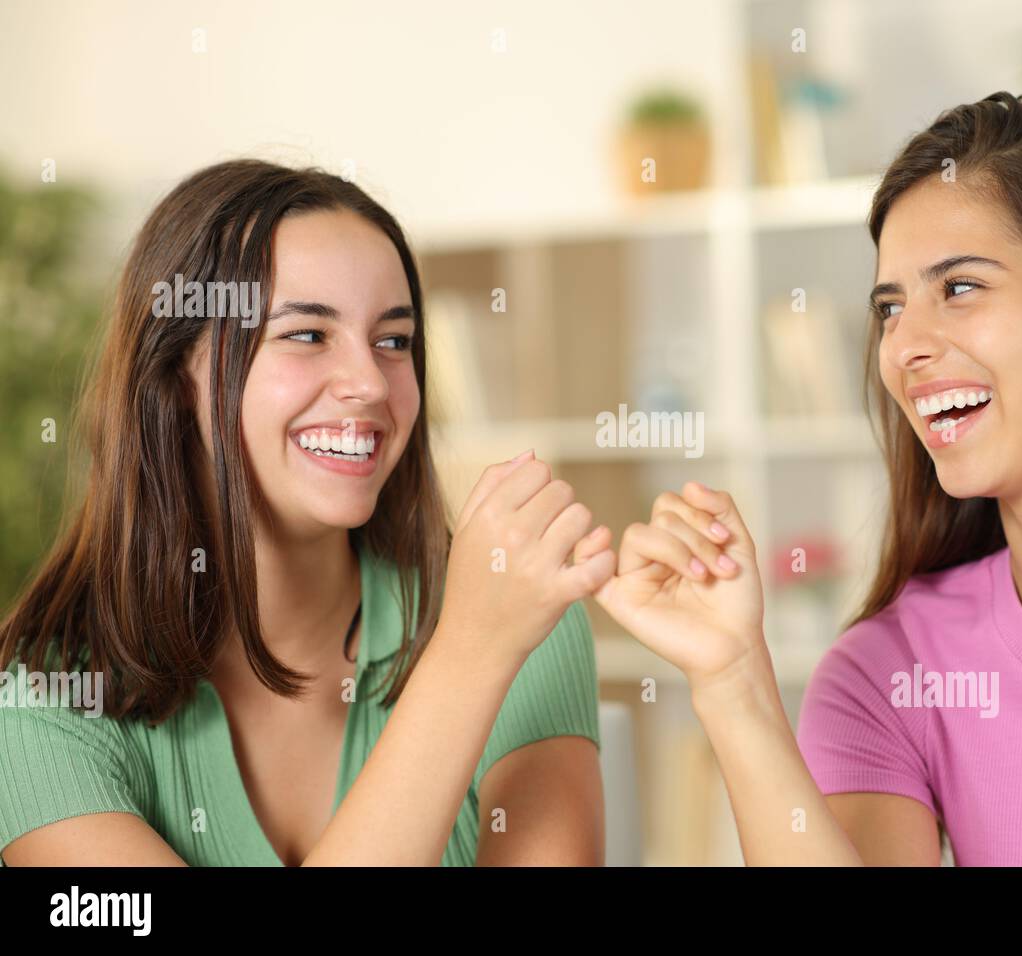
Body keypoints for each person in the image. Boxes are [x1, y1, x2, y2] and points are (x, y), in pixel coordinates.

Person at [585, 92, 1022, 865]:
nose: (905, 347)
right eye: (890, 308)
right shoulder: (892, 670)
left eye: (959, 288)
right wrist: (733, 684)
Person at [0, 160, 615, 866]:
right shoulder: (43, 705)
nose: (368, 384)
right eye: (306, 335)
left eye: (394, 341)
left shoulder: (521, 624)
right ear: (174, 376)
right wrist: (470, 655)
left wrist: (480, 641)